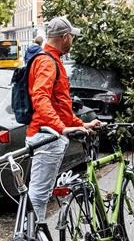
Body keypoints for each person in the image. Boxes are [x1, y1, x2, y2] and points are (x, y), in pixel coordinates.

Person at [26, 16, 102, 222]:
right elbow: (40, 97)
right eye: (72, 37)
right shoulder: (47, 62)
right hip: (47, 136)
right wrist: (60, 128)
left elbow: (60, 105)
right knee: (39, 197)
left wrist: (80, 124)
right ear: (65, 37)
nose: (72, 41)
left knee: (39, 195)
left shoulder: (51, 60)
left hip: (47, 133)